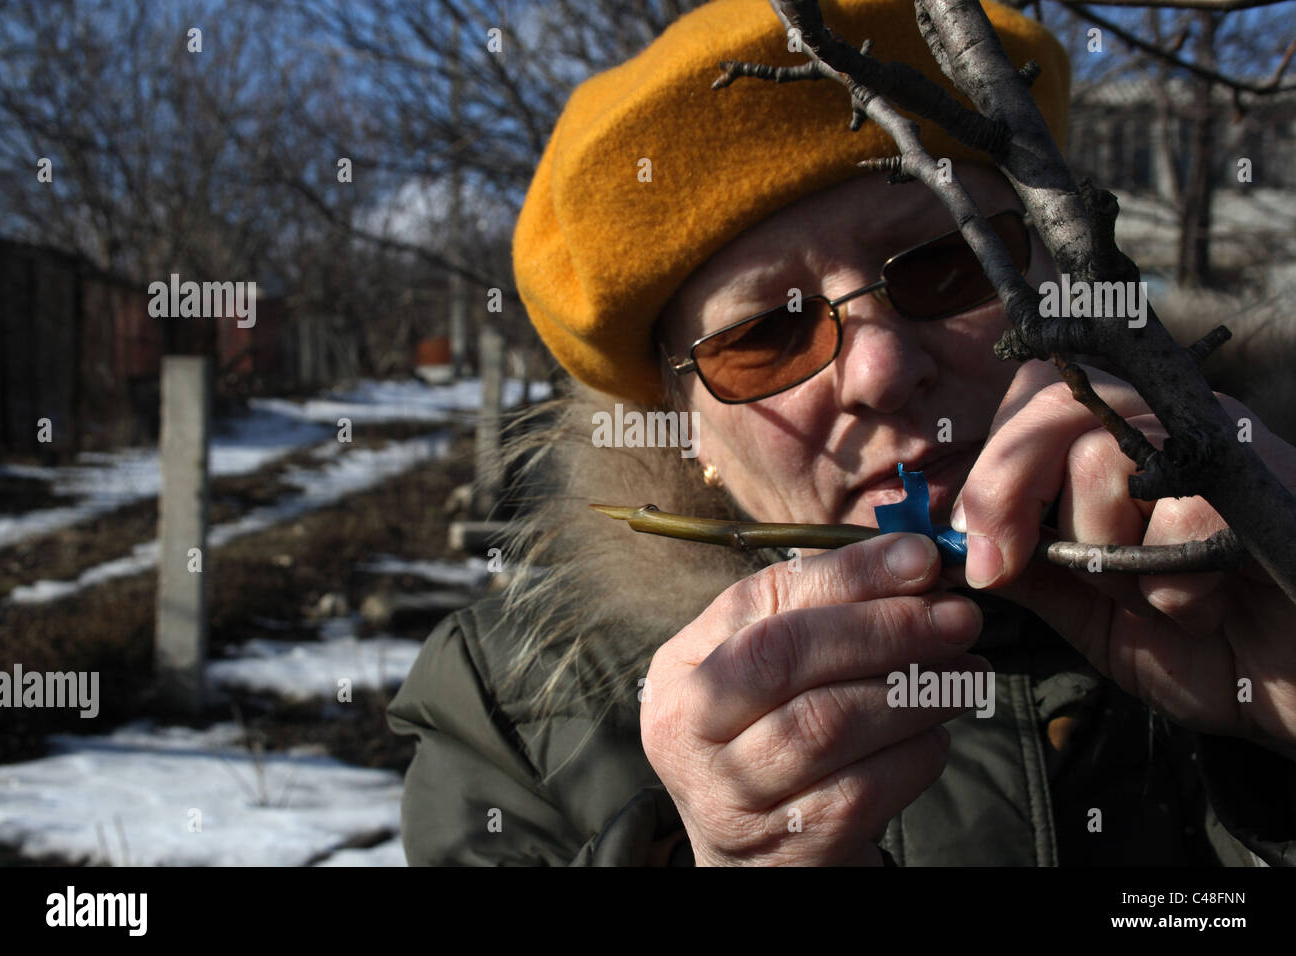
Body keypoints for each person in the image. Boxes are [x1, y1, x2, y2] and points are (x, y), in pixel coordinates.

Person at [387, 0, 1296, 865]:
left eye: (943, 268)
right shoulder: (513, 709)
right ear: (682, 429)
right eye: (766, 337)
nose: (882, 370)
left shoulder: (1261, 531)